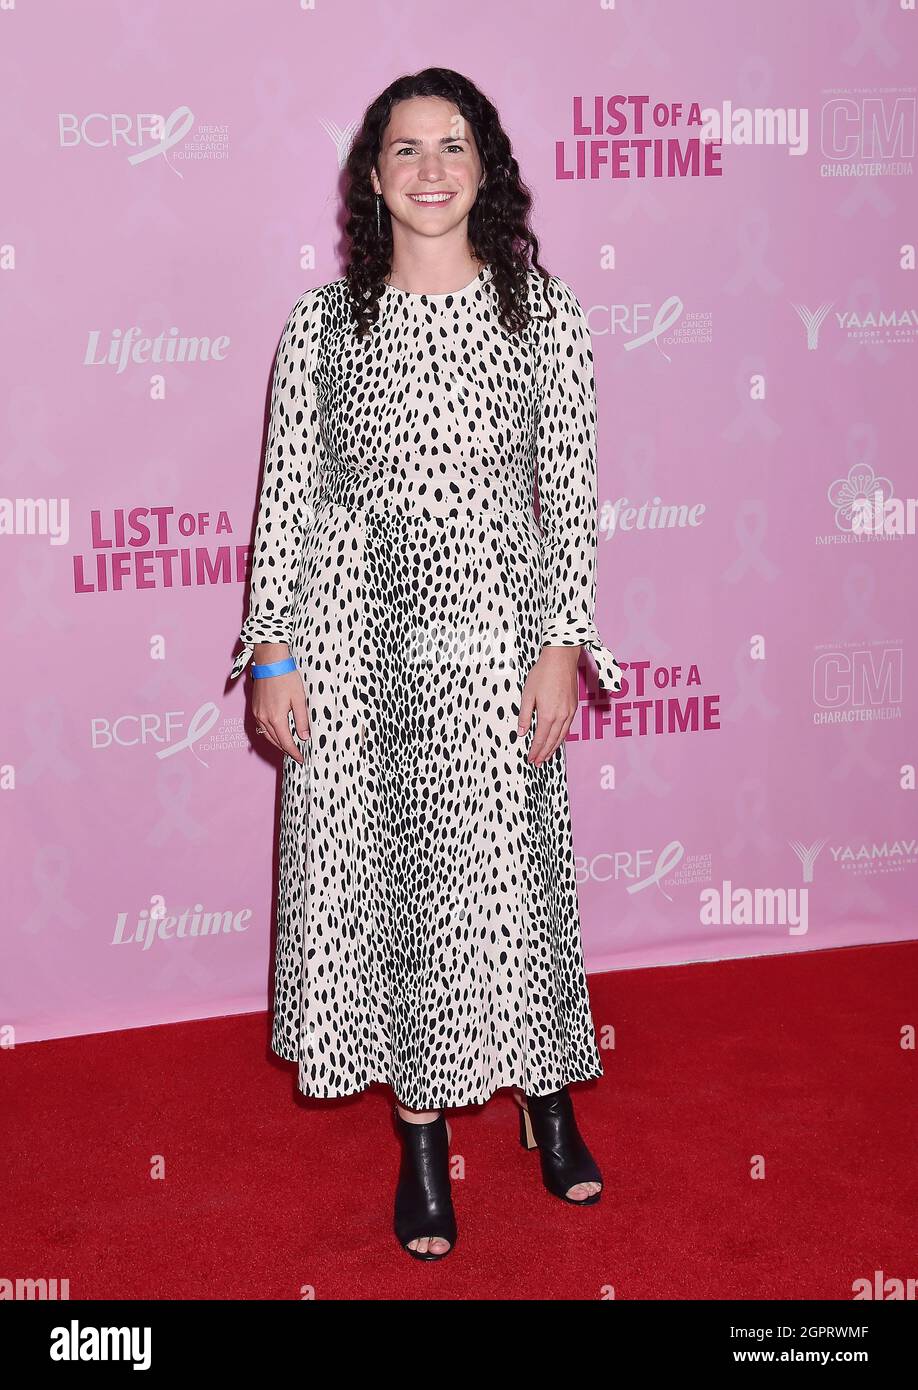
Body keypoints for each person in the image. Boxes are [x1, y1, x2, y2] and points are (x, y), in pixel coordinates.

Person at [229, 67, 623, 1262]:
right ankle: (420, 1139)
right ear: (372, 178)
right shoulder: (323, 324)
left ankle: (545, 1089)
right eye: (407, 150)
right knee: (398, 892)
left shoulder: (542, 313)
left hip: (497, 641)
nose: (433, 169)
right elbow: (287, 501)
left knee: (511, 881)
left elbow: (573, 500)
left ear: (488, 166)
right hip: (356, 647)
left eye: (455, 145)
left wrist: (562, 645)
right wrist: (275, 654)